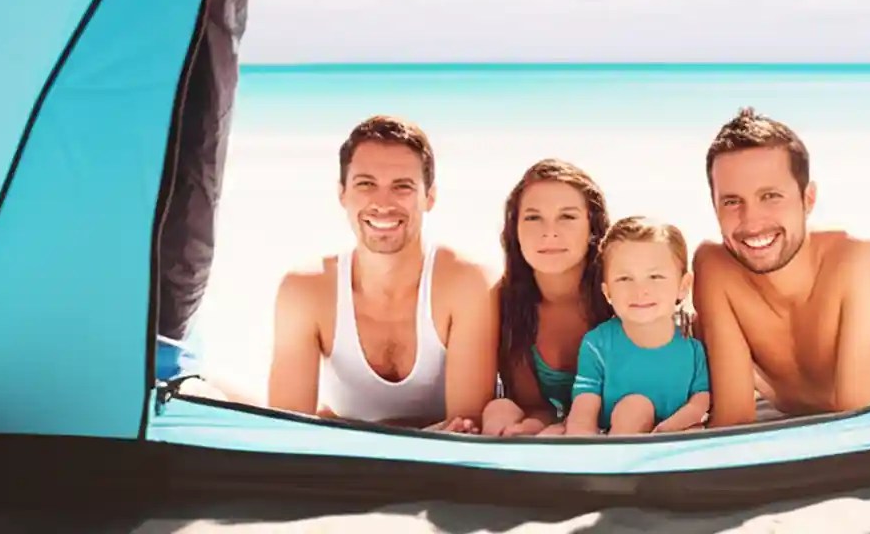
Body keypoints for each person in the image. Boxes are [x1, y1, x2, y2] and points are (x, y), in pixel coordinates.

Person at [693, 107, 870, 428]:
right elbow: (734, 419)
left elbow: (854, 426)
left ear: (808, 199)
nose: (752, 222)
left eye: (770, 196)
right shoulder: (715, 267)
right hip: (802, 407)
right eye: (732, 201)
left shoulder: (860, 262)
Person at [266, 115, 499, 432]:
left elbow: (466, 430)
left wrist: (341, 426)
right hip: (363, 453)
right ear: (342, 194)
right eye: (366, 184)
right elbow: (286, 432)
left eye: (402, 187)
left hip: (394, 454)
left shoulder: (467, 284)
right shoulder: (305, 291)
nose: (382, 203)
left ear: (429, 197)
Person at [480, 159, 614, 437]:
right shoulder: (505, 302)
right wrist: (534, 428)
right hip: (546, 434)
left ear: (592, 227)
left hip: (618, 428)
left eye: (567, 217)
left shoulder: (621, 291)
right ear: (515, 230)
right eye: (533, 217)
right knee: (499, 410)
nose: (550, 232)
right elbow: (533, 407)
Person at [564, 216, 712, 436]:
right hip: (611, 438)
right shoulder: (598, 344)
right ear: (607, 292)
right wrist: (581, 439)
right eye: (625, 279)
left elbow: (700, 399)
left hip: (671, 437)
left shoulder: (693, 349)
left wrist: (667, 429)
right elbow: (584, 408)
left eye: (655, 276)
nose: (640, 290)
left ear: (683, 286)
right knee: (634, 408)